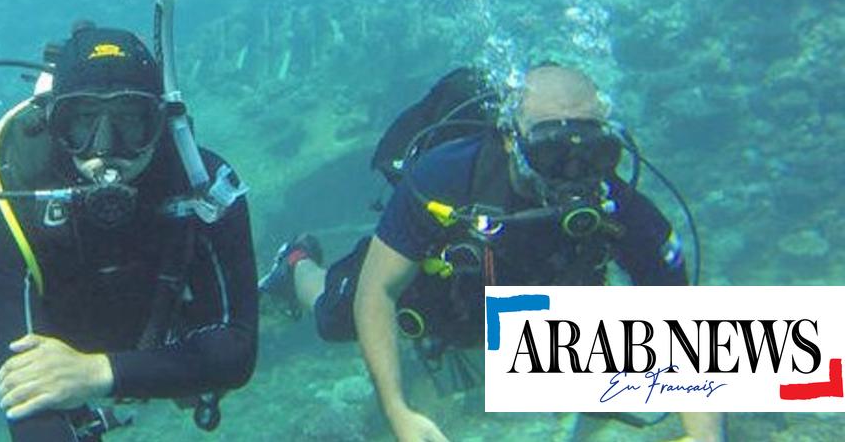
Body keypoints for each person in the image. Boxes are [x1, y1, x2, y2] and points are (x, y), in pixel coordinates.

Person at [260, 65, 725, 442]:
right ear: (511, 138)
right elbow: (378, 291)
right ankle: (296, 264)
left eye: (594, 154)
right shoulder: (445, 176)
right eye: (551, 151)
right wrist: (397, 411)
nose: (573, 172)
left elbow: (680, 319)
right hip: (434, 298)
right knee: (332, 314)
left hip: (524, 313)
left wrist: (703, 434)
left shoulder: (617, 205)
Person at [0, 25, 257, 441]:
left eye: (131, 122)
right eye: (81, 123)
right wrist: (74, 387)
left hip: (155, 334)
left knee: (205, 381)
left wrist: (96, 373)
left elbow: (236, 353)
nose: (105, 148)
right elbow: (29, 398)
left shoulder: (204, 187)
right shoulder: (4, 206)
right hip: (60, 328)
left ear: (161, 122)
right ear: (52, 123)